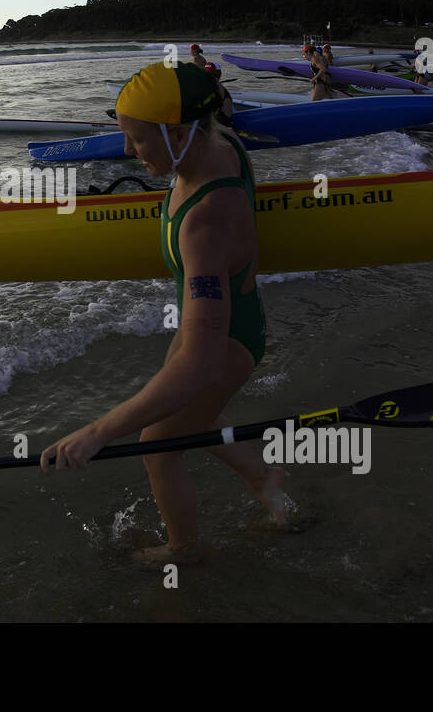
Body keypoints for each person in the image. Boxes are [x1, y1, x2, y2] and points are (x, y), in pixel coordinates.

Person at [39, 61, 289, 564]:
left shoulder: (205, 222)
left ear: (178, 133)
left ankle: (183, 551)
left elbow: (200, 364)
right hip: (226, 317)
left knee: (157, 440)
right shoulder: (221, 145)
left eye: (137, 140)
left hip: (229, 343)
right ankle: (266, 478)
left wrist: (98, 431)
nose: (128, 151)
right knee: (183, 410)